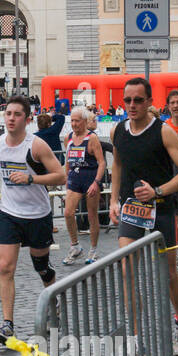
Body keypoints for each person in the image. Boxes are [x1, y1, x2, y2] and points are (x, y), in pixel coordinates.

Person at [109, 77, 178, 356]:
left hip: (162, 209)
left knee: (168, 272)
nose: (132, 106)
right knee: (127, 270)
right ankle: (134, 336)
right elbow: (118, 167)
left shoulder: (164, 132)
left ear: (149, 102)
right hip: (132, 210)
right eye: (127, 100)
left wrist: (158, 191)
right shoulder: (117, 131)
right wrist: (113, 200)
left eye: (138, 100)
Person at [0, 96, 64, 344]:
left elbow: (60, 176)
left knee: (42, 267)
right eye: (8, 113)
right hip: (9, 213)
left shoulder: (36, 146)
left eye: (17, 114)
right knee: (5, 267)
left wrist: (31, 179)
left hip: (37, 215)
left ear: (27, 119)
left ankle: (53, 303)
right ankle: (7, 324)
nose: (11, 118)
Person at [60, 106, 106, 265]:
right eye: (72, 121)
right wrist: (66, 179)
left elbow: (102, 163)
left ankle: (93, 249)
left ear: (85, 122)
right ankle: (75, 246)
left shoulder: (92, 138)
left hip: (90, 178)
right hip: (74, 177)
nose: (74, 124)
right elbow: (67, 159)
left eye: (77, 121)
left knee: (92, 215)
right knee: (68, 212)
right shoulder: (68, 138)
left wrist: (96, 182)